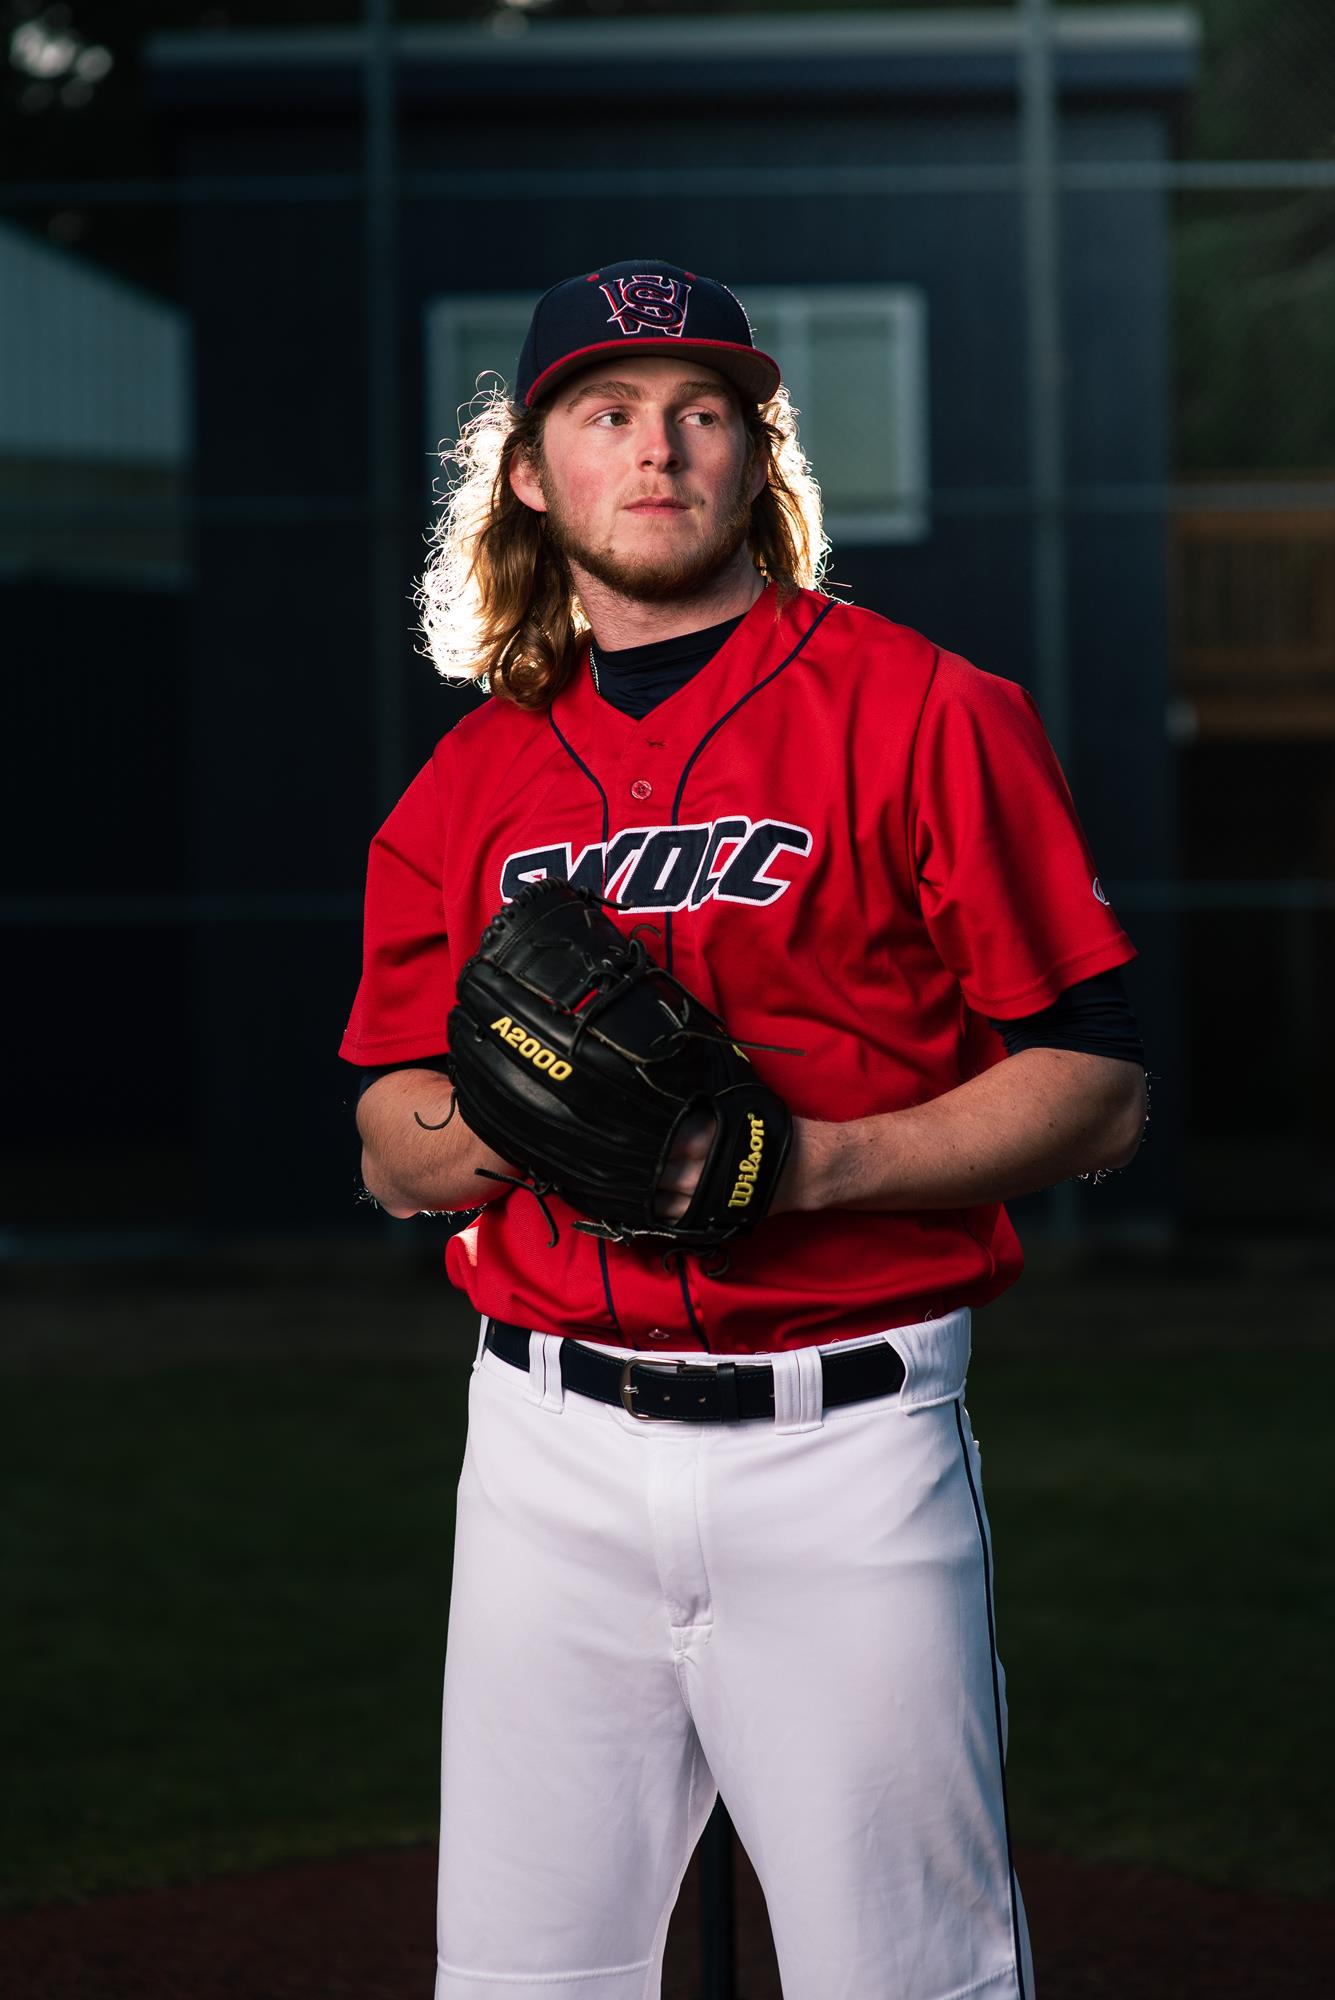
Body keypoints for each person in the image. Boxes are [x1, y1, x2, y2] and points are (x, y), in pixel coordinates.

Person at [342, 259, 1147, 2000]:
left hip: (843, 1447)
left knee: (906, 1975)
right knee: (523, 1977)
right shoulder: (466, 785)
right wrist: (534, 1115)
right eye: (606, 412)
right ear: (535, 475)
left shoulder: (930, 712)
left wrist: (814, 1162)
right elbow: (390, 1141)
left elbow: (1096, 1081)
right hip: (544, 1459)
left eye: (703, 411)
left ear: (755, 459)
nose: (659, 448)